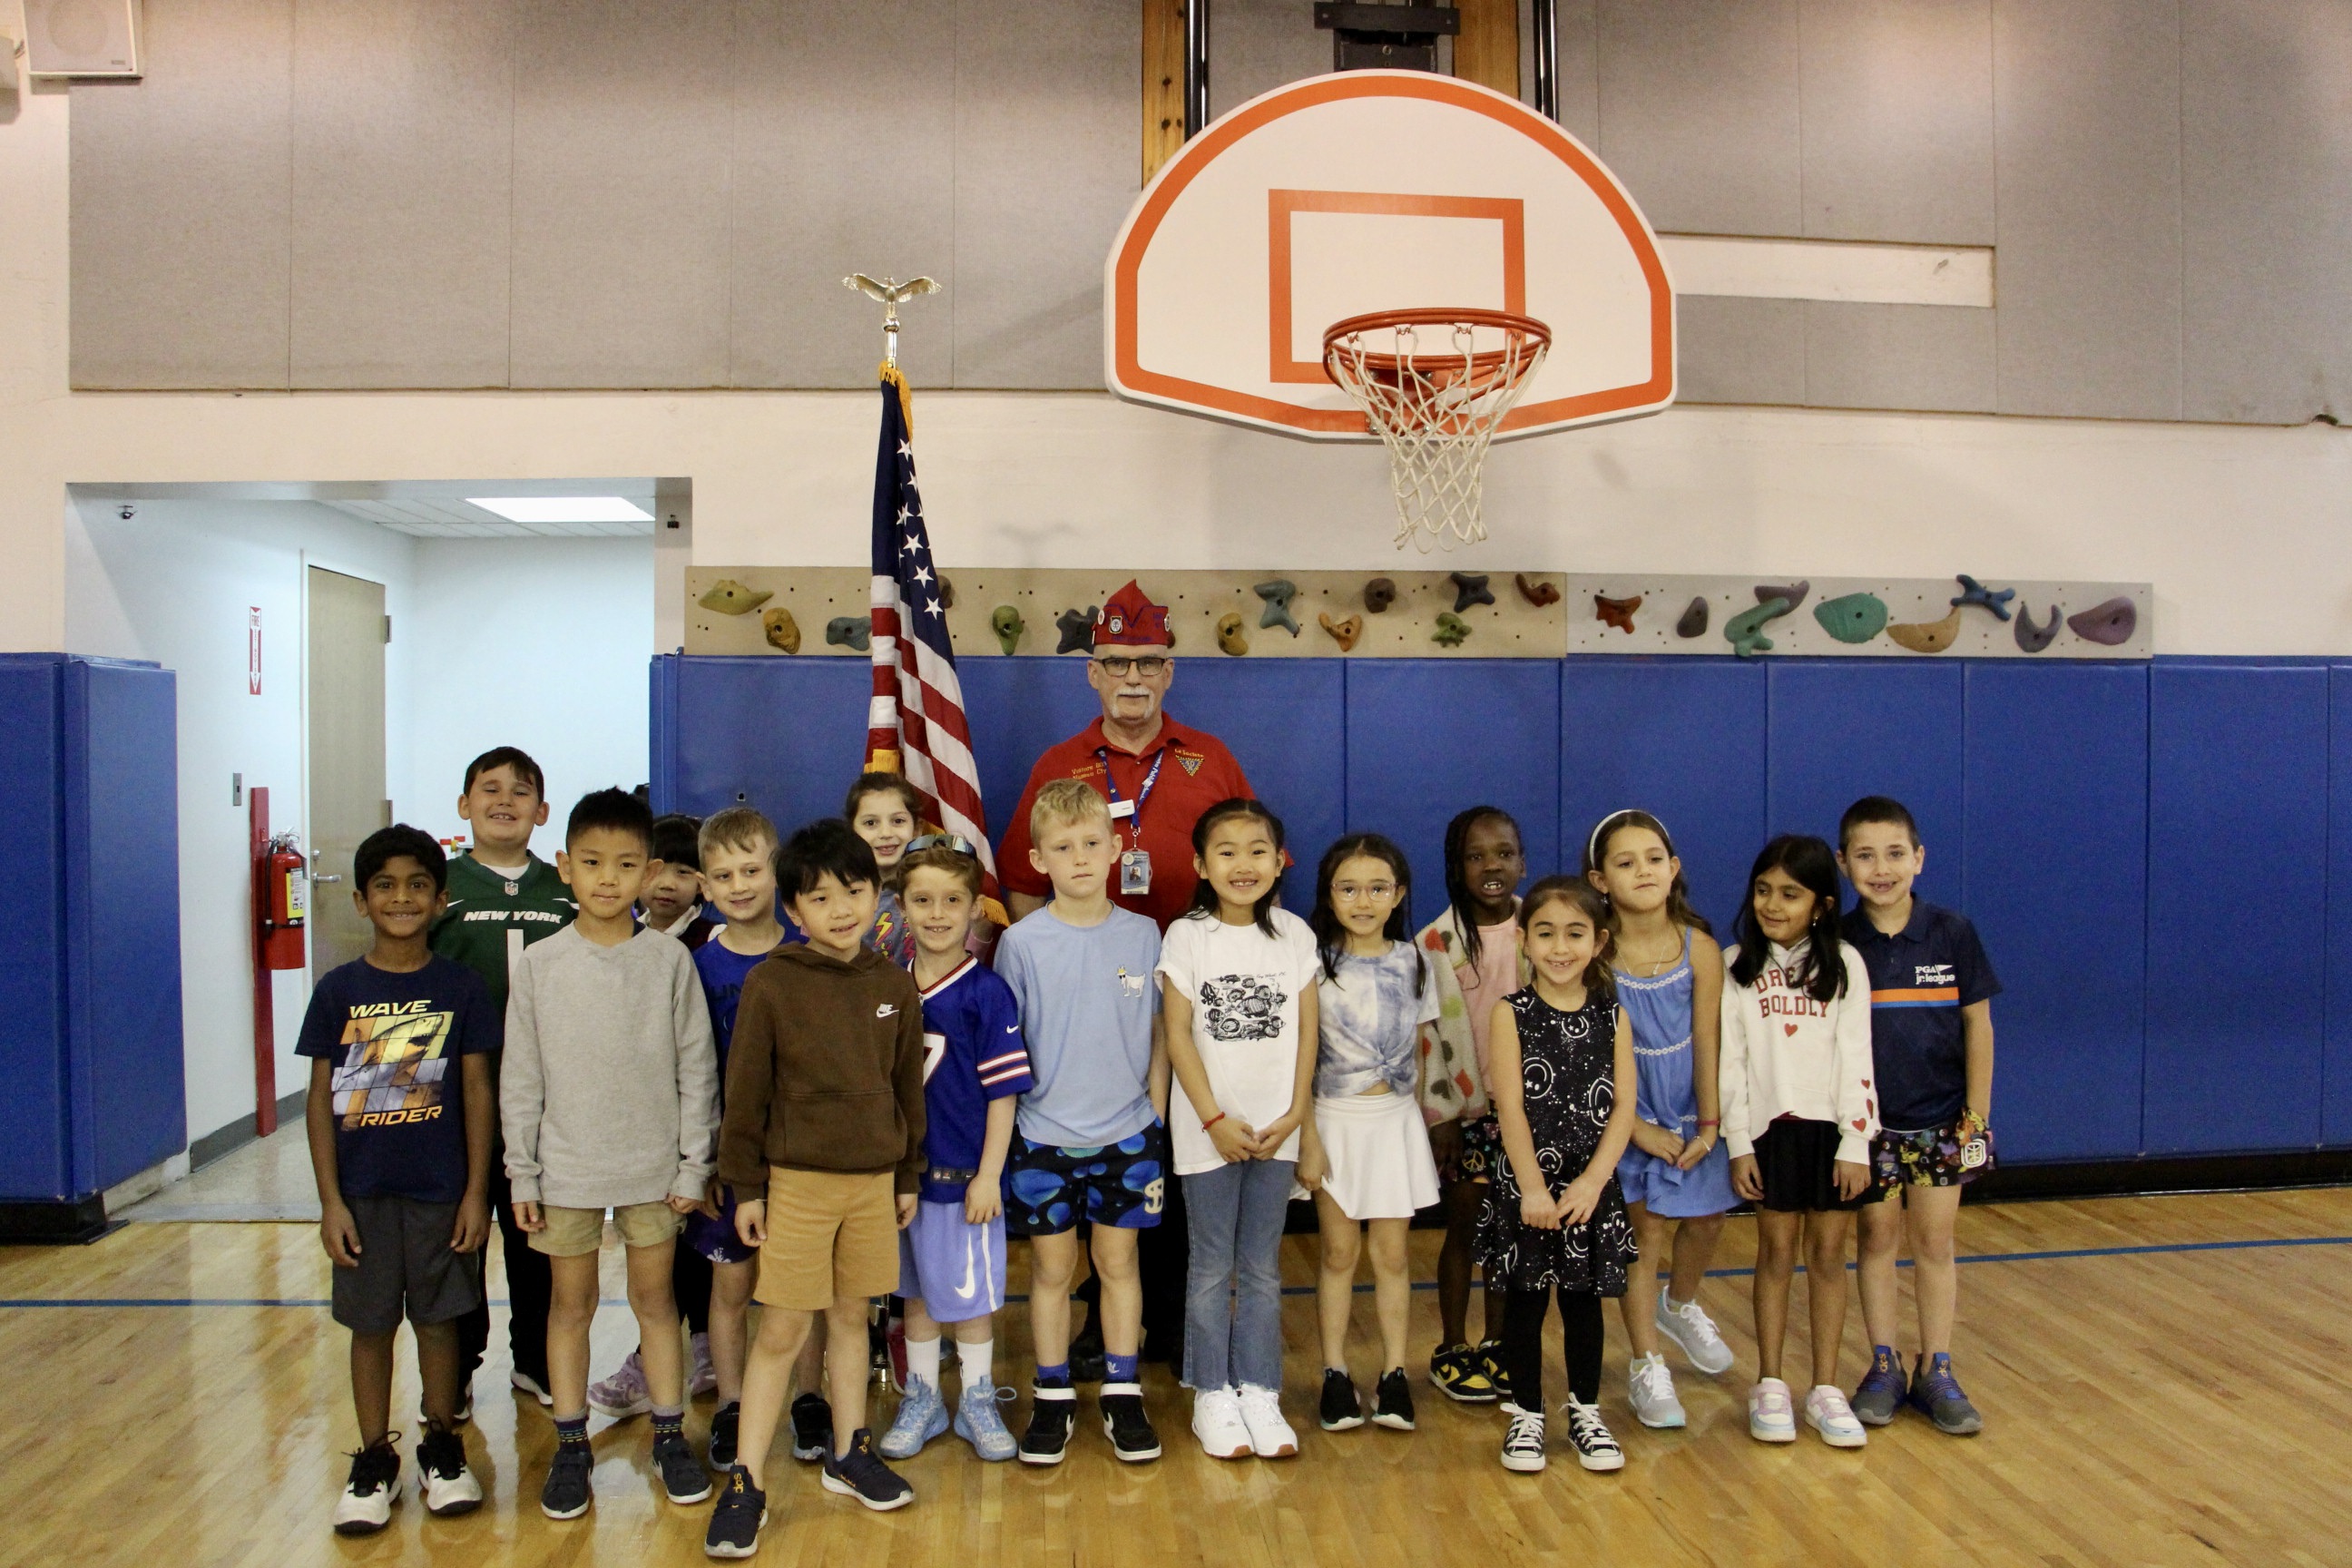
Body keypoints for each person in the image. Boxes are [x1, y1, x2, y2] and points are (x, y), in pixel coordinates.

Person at [994, 581, 1253, 1373]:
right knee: (1097, 1174)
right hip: (1098, 1002)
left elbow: (1247, 862)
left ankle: (1175, 1320)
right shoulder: (1060, 765)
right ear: (1092, 674)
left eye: (1148, 663)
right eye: (1115, 663)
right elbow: (1019, 886)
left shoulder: (1211, 759)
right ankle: (1095, 1328)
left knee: (1174, 1156)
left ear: (1169, 672)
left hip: (1195, 993)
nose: (1133, 677)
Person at [703, 819, 929, 1555]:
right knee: (782, 1330)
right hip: (795, 1184)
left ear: (877, 894)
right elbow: (747, 1096)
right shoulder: (774, 981)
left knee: (852, 1319)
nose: (840, 909)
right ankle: (747, 1481)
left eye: (854, 891)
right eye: (820, 897)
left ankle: (849, 1449)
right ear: (794, 911)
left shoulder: (895, 982)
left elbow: (905, 1089)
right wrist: (746, 1188)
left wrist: (905, 1173)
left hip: (872, 1186)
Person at [502, 788, 720, 1519]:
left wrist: (693, 1165)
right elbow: (521, 1078)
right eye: (591, 862)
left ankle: (668, 1433)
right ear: (564, 866)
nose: (607, 878)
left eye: (625, 865)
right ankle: (571, 1444)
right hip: (564, 1172)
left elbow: (697, 1070)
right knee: (570, 1307)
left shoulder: (667, 963)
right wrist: (522, 1170)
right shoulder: (538, 966)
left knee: (658, 1304)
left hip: (653, 1172)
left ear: (648, 872)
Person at [301, 826, 496, 1534]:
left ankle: (441, 1447)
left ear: (440, 899)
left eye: (417, 884)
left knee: (441, 1320)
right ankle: (374, 1458)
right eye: (385, 885)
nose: (402, 898)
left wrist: (476, 1191)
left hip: (442, 1192)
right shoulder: (338, 992)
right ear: (360, 900)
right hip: (362, 1196)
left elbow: (478, 1092)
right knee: (371, 1325)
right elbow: (318, 1101)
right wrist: (330, 1202)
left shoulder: (460, 988)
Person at [994, 779, 1171, 1465]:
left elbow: (1161, 1031)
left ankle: (1123, 1394)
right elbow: (1011, 1045)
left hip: (1129, 1134)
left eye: (1092, 843)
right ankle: (1053, 1395)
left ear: (1116, 846)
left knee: (1118, 1265)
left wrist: (1153, 1109)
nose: (1080, 858)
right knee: (1052, 1271)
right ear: (1040, 860)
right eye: (1063, 848)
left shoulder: (1145, 932)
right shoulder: (1024, 943)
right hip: (1044, 1135)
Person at [1158, 799, 1320, 1461]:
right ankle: (1211, 1393)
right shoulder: (1187, 936)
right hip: (1210, 1136)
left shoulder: (1295, 934)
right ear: (1200, 864)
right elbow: (1176, 1037)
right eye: (1225, 851)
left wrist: (1296, 1117)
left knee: (1260, 1268)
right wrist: (1216, 1121)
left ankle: (1259, 1388)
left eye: (1257, 849)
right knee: (1209, 1266)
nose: (1243, 863)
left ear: (1279, 861)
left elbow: (1310, 1033)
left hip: (1278, 1133)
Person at [1838, 796, 1999, 1437]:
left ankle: (1937, 1367)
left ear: (1919, 859)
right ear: (1846, 863)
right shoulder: (1839, 943)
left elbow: (1977, 1026)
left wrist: (1976, 1114)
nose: (1882, 868)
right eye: (1866, 855)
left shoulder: (1952, 933)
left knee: (1935, 1243)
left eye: (1896, 853)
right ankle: (1884, 1364)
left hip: (1942, 1123)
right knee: (1876, 1240)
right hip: (1869, 1127)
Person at [877, 837, 1034, 1464]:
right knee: (914, 1296)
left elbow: (1004, 1096)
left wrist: (989, 1176)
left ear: (975, 908)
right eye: (922, 899)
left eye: (951, 900)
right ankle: (923, 1397)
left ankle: (975, 1397)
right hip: (899, 1181)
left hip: (962, 1179)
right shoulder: (886, 987)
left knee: (965, 1300)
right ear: (901, 907)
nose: (937, 912)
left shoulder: (985, 994)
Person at [1720, 834, 1877, 1451]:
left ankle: (1825, 1389)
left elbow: (1857, 1053)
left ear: (1822, 904)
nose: (1773, 904)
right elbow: (1730, 1062)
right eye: (1763, 890)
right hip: (1768, 1133)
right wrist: (1737, 1141)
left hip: (1831, 1134)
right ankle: (1771, 1382)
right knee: (1775, 1252)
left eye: (1790, 893)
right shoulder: (1739, 964)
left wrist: (1856, 1142)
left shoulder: (1846, 964)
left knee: (1830, 1256)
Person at [1583, 809, 1738, 1430]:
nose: (1641, 871)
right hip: (1625, 1113)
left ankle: (1681, 1303)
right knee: (1642, 1237)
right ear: (1599, 880)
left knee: (1705, 1219)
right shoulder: (1593, 953)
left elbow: (1707, 1036)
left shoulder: (1699, 947)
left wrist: (1708, 1124)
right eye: (1625, 862)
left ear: (1674, 869)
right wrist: (1635, 1129)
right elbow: (1590, 1052)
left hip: (1687, 1110)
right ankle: (1648, 1363)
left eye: (1653, 859)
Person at [1480, 878, 1639, 1475]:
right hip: (1532, 1187)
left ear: (1599, 942)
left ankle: (1585, 1410)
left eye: (1575, 934)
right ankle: (1526, 1412)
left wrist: (1594, 1182)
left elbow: (1624, 1107)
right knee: (1524, 1303)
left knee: (1582, 1304)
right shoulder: (1511, 1013)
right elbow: (1511, 1105)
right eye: (1545, 933)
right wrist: (1533, 1188)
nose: (1560, 947)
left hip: (1588, 1187)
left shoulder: (1613, 1014)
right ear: (1524, 941)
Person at [431, 746, 573, 1412]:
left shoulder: (565, 889)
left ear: (542, 812)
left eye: (521, 792)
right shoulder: (441, 890)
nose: (505, 800)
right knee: (459, 1238)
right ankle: (455, 1368)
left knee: (534, 1236)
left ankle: (536, 1360)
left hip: (543, 1101)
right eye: (489, 788)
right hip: (458, 1100)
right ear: (465, 806)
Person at [1301, 832, 1441, 1436]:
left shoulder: (1414, 961)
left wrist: (1419, 1119)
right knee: (1337, 1252)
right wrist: (1307, 1136)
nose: (1363, 900)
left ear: (1398, 894)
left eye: (1377, 888)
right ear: (1329, 896)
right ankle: (1333, 1372)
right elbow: (1301, 1059)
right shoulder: (1312, 963)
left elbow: (1420, 1047)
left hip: (1394, 1126)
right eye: (1349, 888)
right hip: (1336, 1122)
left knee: (1390, 1254)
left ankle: (1393, 1374)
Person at [589, 810, 723, 1421]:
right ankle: (656, 1353)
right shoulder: (615, 941)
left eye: (686, 870)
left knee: (697, 1240)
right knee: (652, 1253)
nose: (670, 882)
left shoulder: (712, 944)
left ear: (705, 883)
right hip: (638, 1123)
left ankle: (697, 1350)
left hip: (699, 1120)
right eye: (659, 868)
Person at [681, 807, 789, 1472]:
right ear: (705, 886)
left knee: (796, 1292)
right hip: (729, 1160)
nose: (740, 884)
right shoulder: (695, 965)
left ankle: (808, 1399)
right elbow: (687, 1070)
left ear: (776, 869)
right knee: (731, 1288)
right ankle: (732, 1403)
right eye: (724, 875)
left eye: (752, 869)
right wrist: (707, 1158)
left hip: (801, 1157)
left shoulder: (811, 950)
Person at [1416, 805, 1528, 1403]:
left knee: (1510, 1234)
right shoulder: (1434, 942)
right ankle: (1452, 1344)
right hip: (1469, 1117)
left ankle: (1499, 1343)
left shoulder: (1544, 928)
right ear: (1457, 868)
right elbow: (1427, 1036)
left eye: (1504, 853)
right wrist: (1442, 1116)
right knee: (1464, 1227)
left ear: (1522, 861)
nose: (1492, 866)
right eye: (1477, 855)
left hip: (1529, 1114)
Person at [847, 771, 924, 968]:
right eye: (871, 823)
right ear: (852, 831)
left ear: (916, 830)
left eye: (898, 821)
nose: (886, 833)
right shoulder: (838, 893)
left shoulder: (928, 889)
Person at [641, 813, 719, 950]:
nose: (667, 885)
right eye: (656, 870)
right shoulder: (623, 935)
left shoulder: (714, 939)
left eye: (682, 872)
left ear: (702, 884)